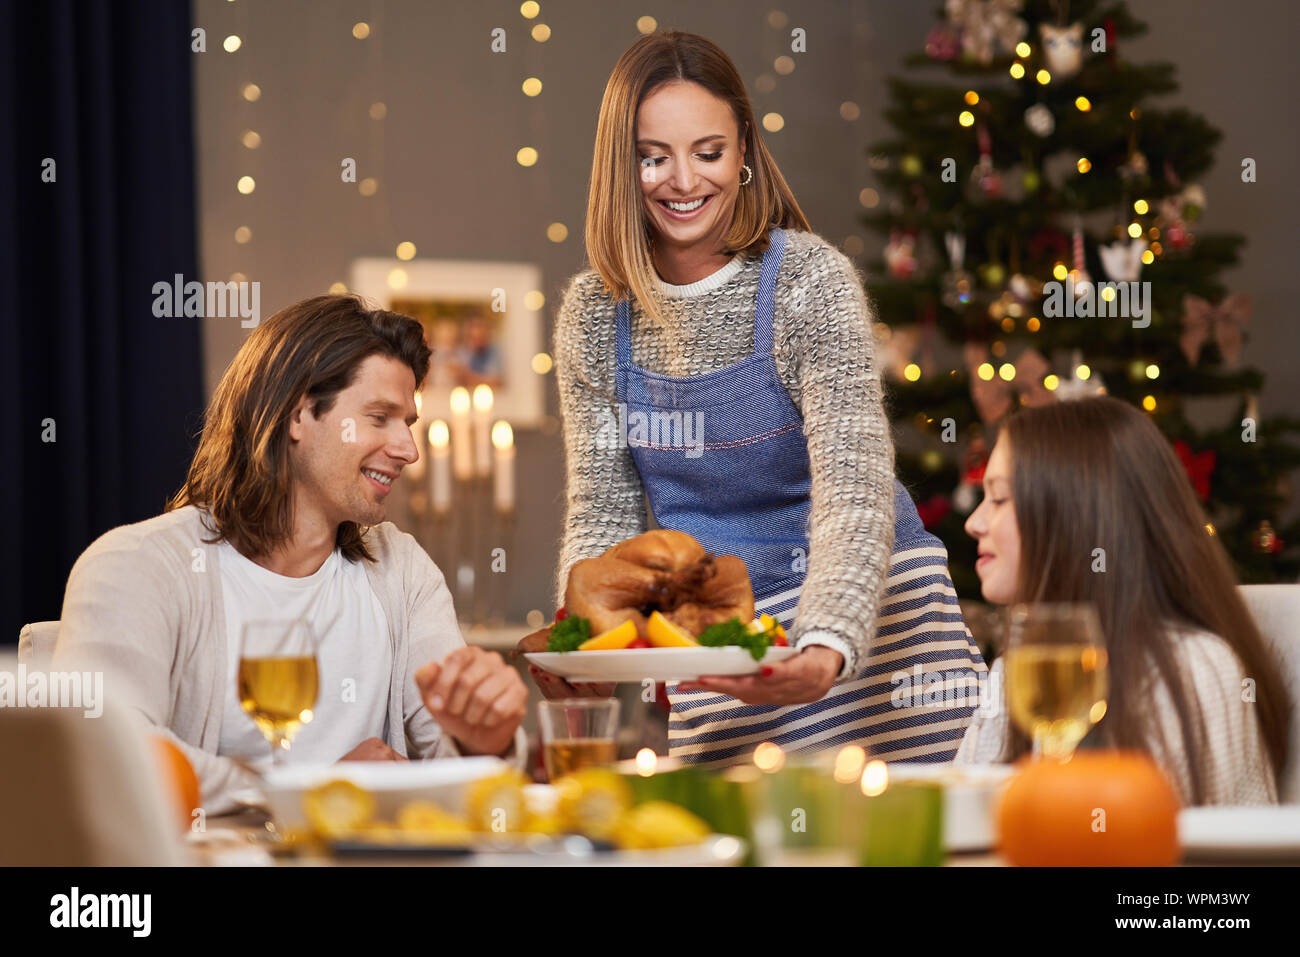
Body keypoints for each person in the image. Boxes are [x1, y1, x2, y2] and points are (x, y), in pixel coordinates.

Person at [524, 30, 985, 767]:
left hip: (880, 645)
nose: (682, 181)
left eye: (708, 152)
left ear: (743, 148)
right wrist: (586, 642)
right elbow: (603, 516)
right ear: (620, 165)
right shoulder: (592, 316)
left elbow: (855, 483)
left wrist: (826, 641)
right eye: (652, 156)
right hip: (723, 655)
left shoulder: (809, 281)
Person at [55, 295, 528, 814]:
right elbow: (105, 755)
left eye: (408, 423)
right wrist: (312, 791)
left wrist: (486, 737)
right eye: (379, 418)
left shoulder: (402, 569)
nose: (408, 450)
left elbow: (461, 766)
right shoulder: (138, 565)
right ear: (299, 415)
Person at [957, 396, 1291, 805]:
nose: (974, 523)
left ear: (1074, 513)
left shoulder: (1193, 670)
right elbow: (966, 808)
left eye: (998, 499)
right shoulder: (1022, 669)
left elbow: (1141, 833)